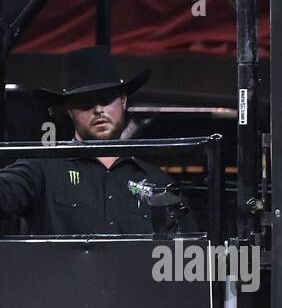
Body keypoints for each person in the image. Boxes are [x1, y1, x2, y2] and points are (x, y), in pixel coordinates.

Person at [0, 46, 188, 236]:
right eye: (85, 102)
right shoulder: (42, 169)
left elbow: (184, 252)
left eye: (106, 99)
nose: (98, 109)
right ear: (70, 110)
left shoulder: (157, 181)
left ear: (123, 101)